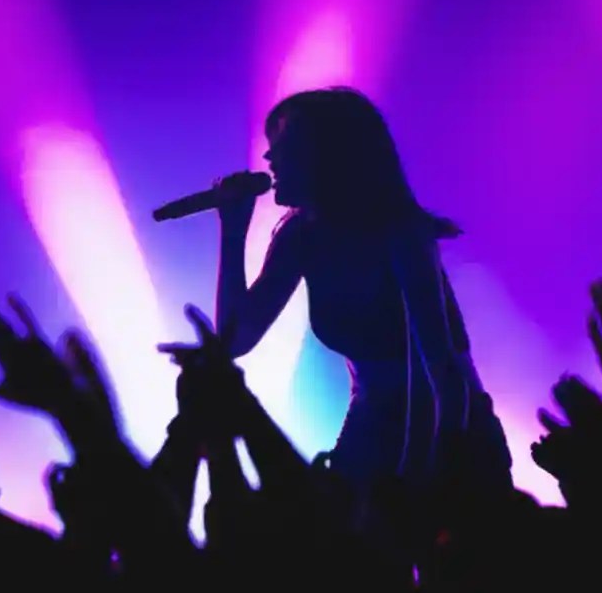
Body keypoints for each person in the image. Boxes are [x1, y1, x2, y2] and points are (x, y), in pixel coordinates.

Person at [212, 87, 512, 493]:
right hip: (373, 428)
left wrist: (416, 477)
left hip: (451, 431)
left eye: (283, 145)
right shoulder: (300, 238)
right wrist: (233, 228)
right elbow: (235, 339)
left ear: (327, 154)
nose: (269, 160)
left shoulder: (401, 235)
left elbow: (441, 379)